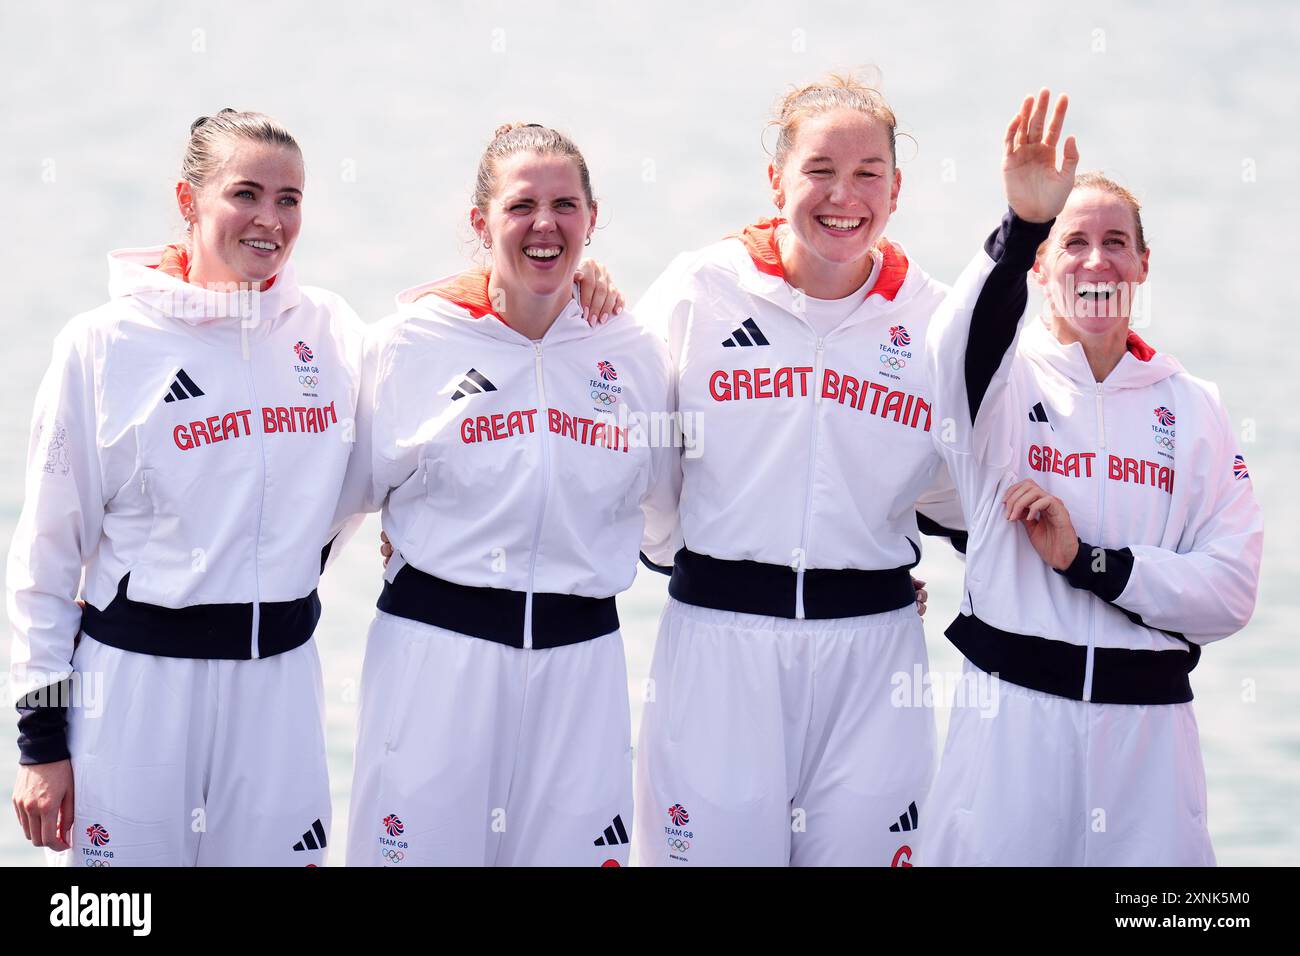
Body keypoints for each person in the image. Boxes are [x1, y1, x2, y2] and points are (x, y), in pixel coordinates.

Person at [7, 109, 365, 866]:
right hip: (138, 695)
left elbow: (402, 446)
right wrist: (40, 744)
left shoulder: (331, 333)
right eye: (246, 193)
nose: (270, 219)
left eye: (290, 198)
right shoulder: (103, 345)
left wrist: (576, 283)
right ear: (187, 200)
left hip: (280, 692)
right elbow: (43, 559)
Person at [631, 74, 971, 867]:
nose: (842, 196)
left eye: (866, 174)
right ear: (776, 177)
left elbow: (976, 493)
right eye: (819, 170)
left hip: (874, 653)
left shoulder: (935, 319)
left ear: (897, 189)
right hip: (717, 643)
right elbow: (608, 421)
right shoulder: (701, 287)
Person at [920, 90, 1263, 865]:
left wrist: (1090, 563)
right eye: (1073, 243)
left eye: (1116, 242)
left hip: (1149, 742)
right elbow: (955, 345)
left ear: (1144, 262)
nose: (1096, 261)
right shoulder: (1001, 385)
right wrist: (1023, 223)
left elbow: (1230, 591)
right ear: (1043, 268)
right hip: (1014, 728)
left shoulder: (1195, 405)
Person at [340, 123, 676, 867]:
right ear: (480, 220)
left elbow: (678, 521)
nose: (545, 225)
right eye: (522, 205)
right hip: (438, 661)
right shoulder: (407, 343)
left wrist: (848, 565)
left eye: (565, 205)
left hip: (581, 667)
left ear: (592, 217)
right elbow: (324, 510)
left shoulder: (634, 352)